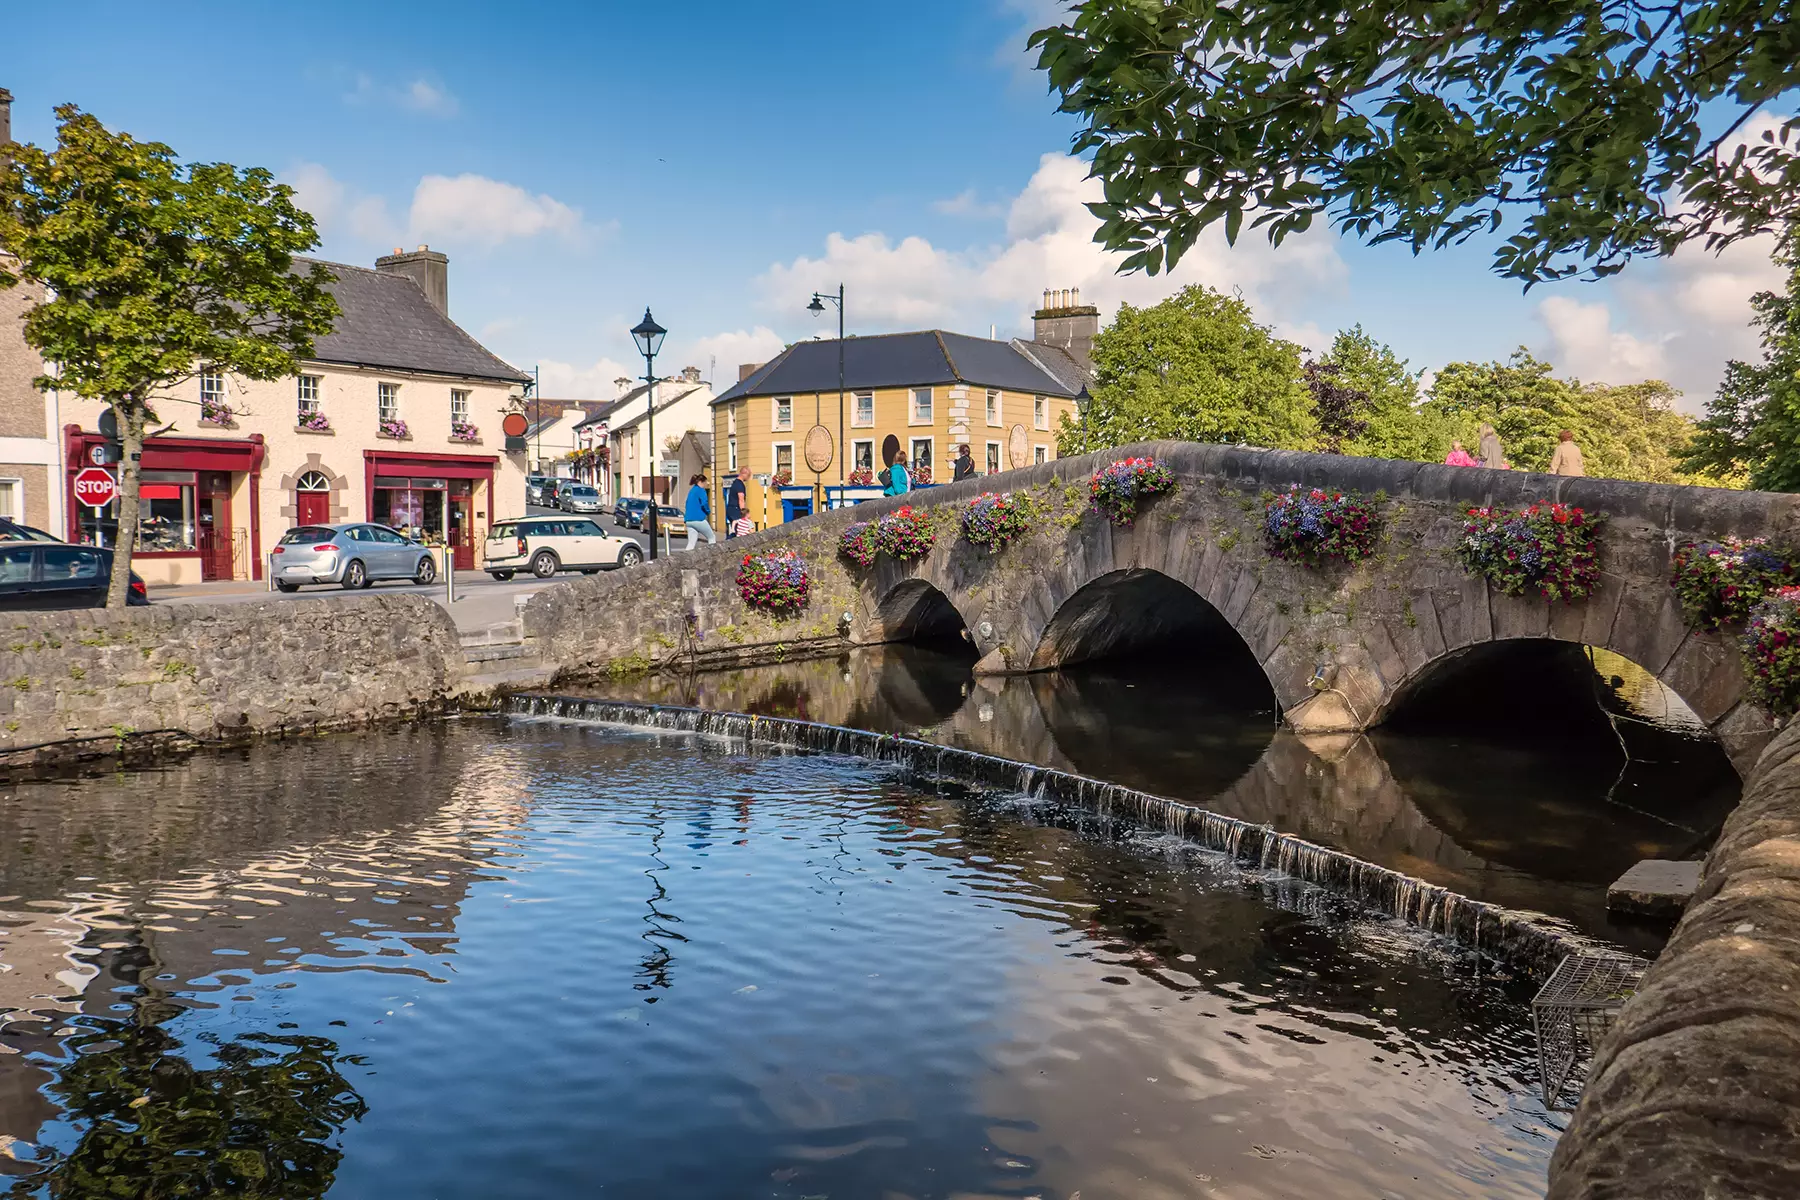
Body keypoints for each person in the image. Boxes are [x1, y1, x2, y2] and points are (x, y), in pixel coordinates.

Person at [683, 473, 717, 549]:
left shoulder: (692, 491)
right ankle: (713, 555)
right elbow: (704, 503)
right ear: (701, 482)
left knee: (691, 543)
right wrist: (708, 511)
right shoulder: (701, 490)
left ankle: (686, 559)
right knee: (711, 537)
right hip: (699, 519)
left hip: (688, 520)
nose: (706, 484)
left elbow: (687, 504)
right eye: (705, 482)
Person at [723, 467, 749, 538]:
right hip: (736, 509)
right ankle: (727, 545)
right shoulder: (740, 485)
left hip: (730, 509)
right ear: (744, 474)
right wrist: (744, 513)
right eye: (748, 475)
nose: (748, 477)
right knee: (740, 530)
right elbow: (741, 499)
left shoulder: (735, 483)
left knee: (735, 530)